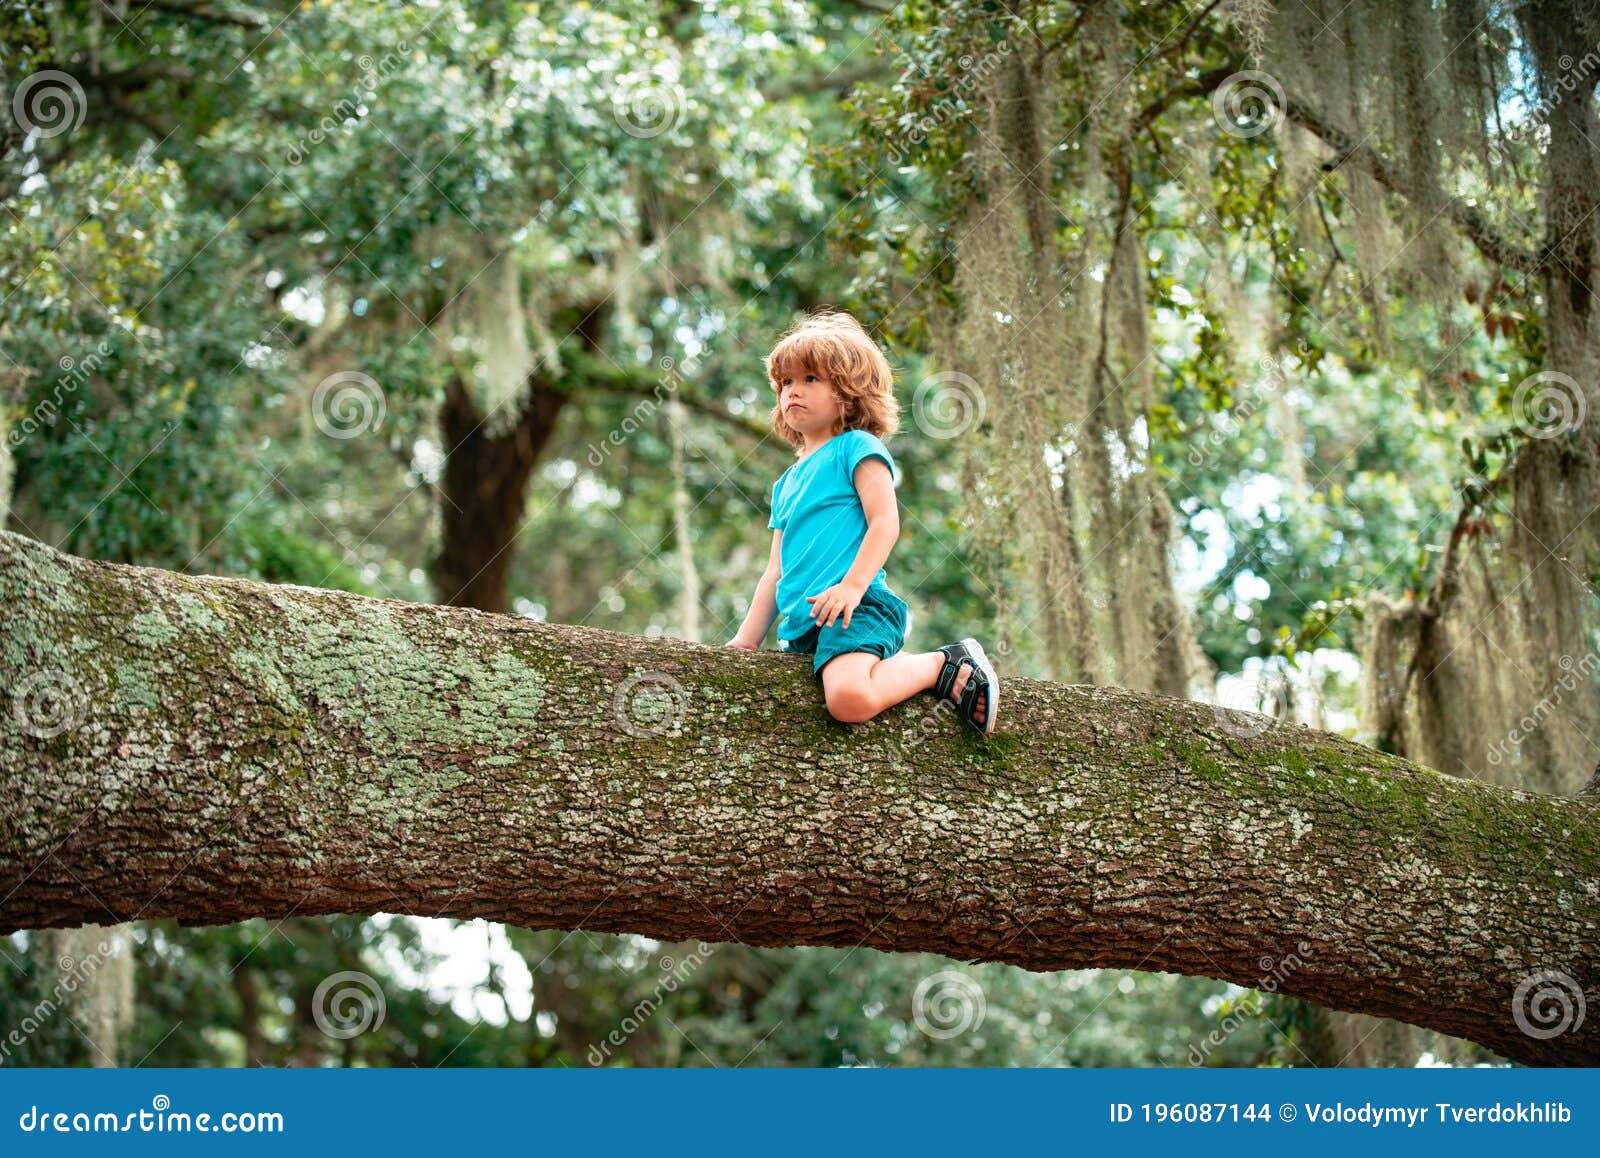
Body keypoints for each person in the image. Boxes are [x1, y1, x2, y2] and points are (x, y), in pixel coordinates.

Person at [725, 309, 999, 736]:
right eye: (786, 382)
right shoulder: (786, 483)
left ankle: (945, 663)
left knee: (847, 700)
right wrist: (746, 640)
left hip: (857, 609)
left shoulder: (856, 447)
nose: (793, 391)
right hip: (802, 632)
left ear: (848, 391)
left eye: (810, 379)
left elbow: (885, 522)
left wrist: (851, 586)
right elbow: (774, 572)